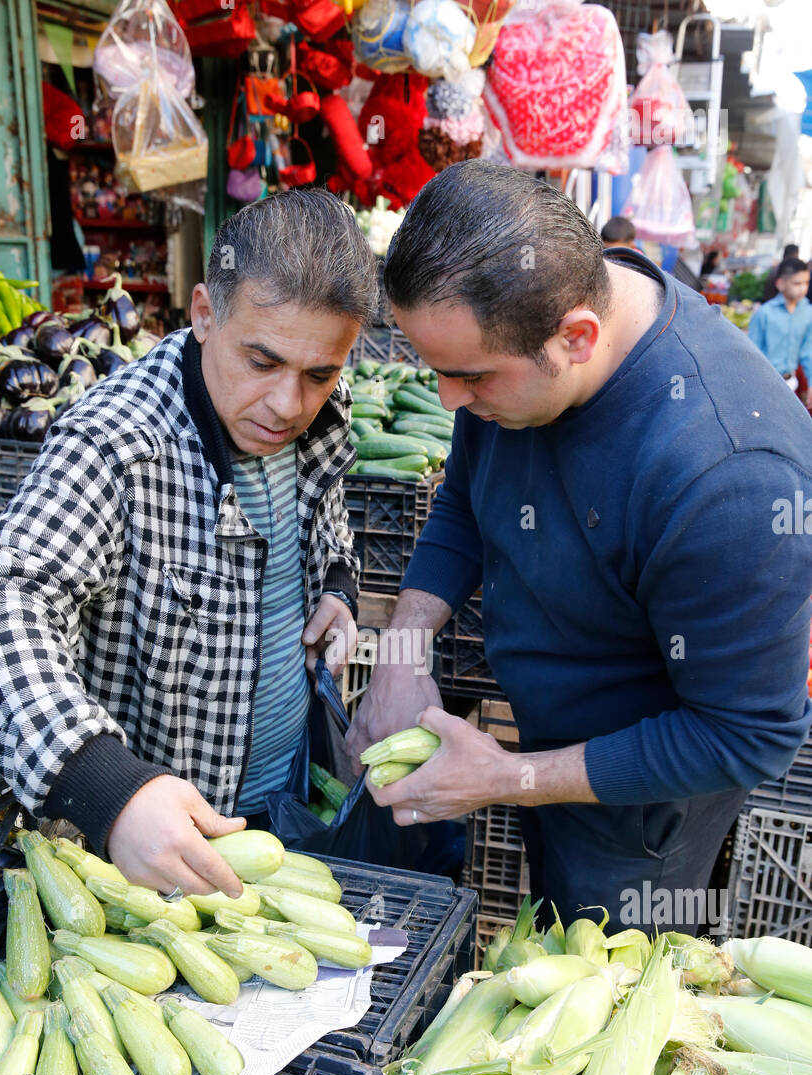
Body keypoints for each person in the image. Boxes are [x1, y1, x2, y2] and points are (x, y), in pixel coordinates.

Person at [347, 161, 812, 934]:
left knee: (607, 964)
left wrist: (513, 776)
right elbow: (464, 495)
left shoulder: (732, 479)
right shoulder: (526, 322)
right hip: (541, 732)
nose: (449, 401)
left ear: (577, 337)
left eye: (469, 379)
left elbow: (748, 733)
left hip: (642, 802)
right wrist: (403, 646)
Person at [0, 190, 374, 899]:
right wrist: (107, 789)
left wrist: (337, 584)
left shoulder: (315, 399)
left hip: (287, 799)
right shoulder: (117, 440)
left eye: (319, 374)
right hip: (157, 854)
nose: (288, 405)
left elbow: (327, 506)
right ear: (204, 314)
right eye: (262, 363)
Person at [747, 255, 812, 410]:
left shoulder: (808, 312)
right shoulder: (764, 314)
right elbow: (751, 354)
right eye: (797, 283)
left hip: (791, 383)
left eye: (806, 282)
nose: (803, 288)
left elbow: (807, 352)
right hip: (764, 385)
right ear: (781, 283)